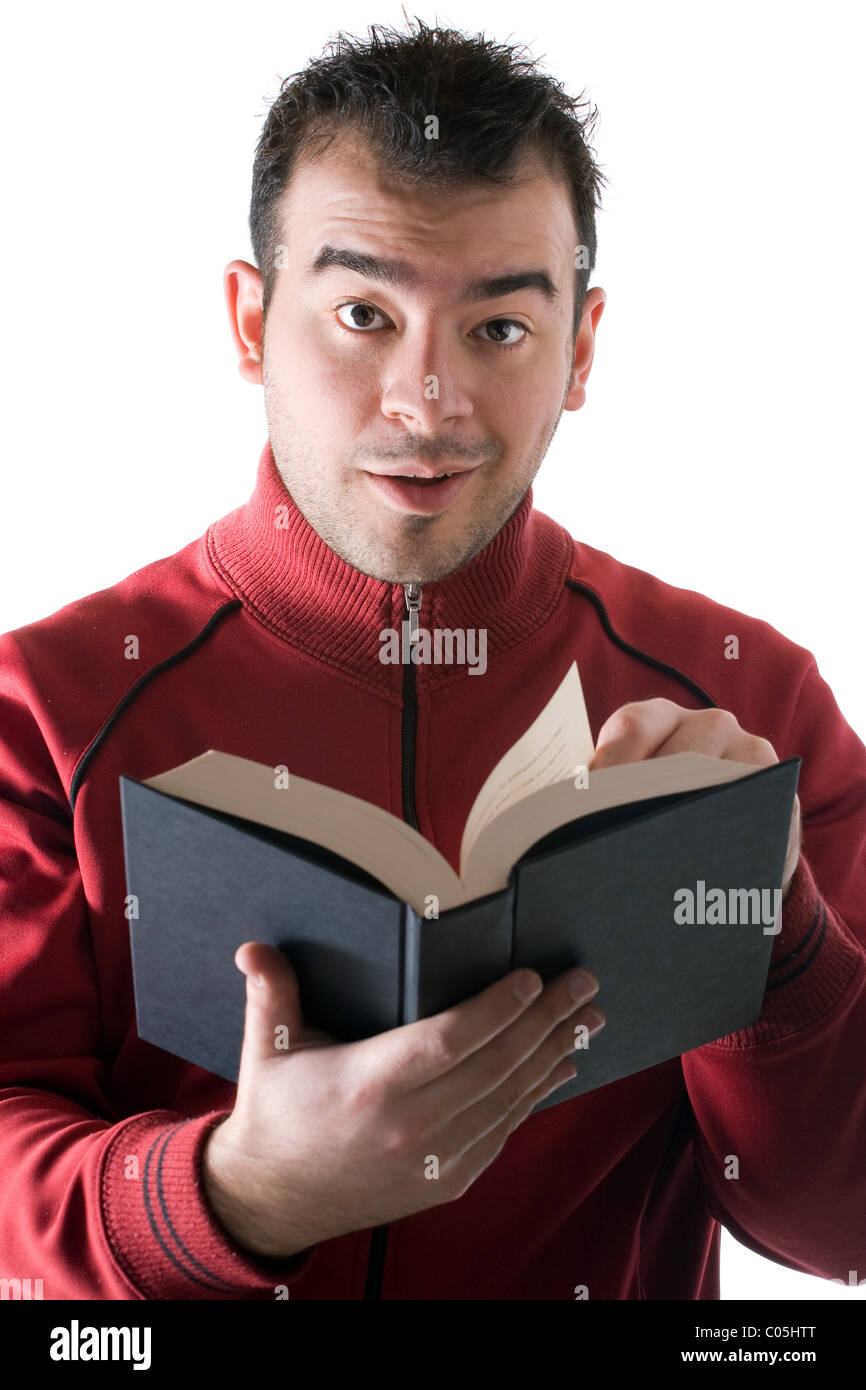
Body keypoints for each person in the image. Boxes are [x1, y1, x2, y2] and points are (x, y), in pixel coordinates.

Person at [0, 19, 863, 1302]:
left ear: (579, 349)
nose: (426, 399)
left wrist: (774, 942)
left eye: (498, 329)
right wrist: (238, 1192)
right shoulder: (41, 708)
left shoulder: (750, 705)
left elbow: (837, 1228)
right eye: (362, 312)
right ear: (250, 322)